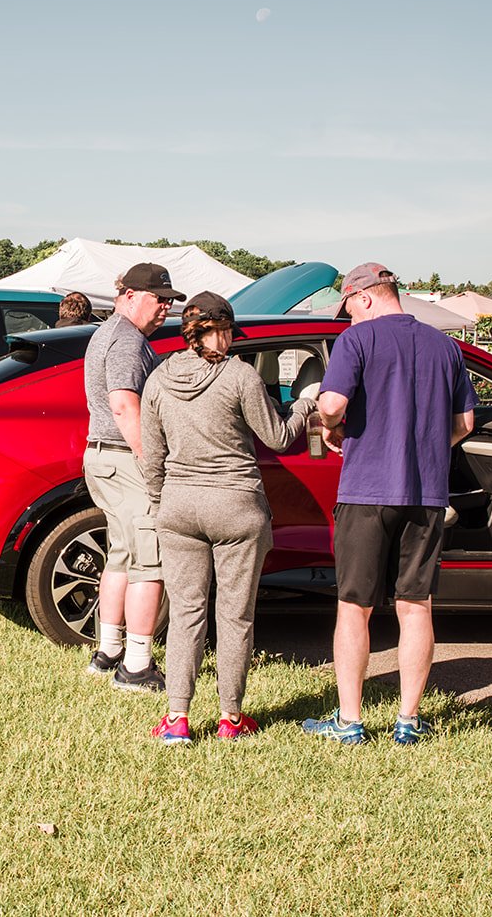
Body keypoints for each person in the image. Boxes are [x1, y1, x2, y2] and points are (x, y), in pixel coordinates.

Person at [306, 263, 475, 745]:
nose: (349, 319)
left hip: (366, 492)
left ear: (364, 297)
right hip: (425, 494)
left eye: (348, 309)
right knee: (417, 606)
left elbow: (334, 404)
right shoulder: (445, 345)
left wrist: (328, 423)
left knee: (353, 607)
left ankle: (350, 721)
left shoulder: (355, 342)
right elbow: (464, 422)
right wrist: (430, 444)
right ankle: (407, 720)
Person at [141, 292, 316, 744]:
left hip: (179, 506)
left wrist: (162, 505)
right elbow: (277, 438)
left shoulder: (159, 379)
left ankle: (177, 719)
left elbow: (152, 458)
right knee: (235, 616)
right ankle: (230, 719)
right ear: (223, 331)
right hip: (236, 505)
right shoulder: (239, 376)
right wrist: (304, 404)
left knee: (185, 614)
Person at [81, 262, 183, 693]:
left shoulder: (108, 333)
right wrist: (152, 463)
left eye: (168, 301)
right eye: (158, 298)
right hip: (124, 458)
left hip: (104, 457)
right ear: (129, 296)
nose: (164, 308)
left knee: (121, 556)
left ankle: (108, 653)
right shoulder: (126, 340)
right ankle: (137, 666)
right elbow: (124, 404)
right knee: (151, 561)